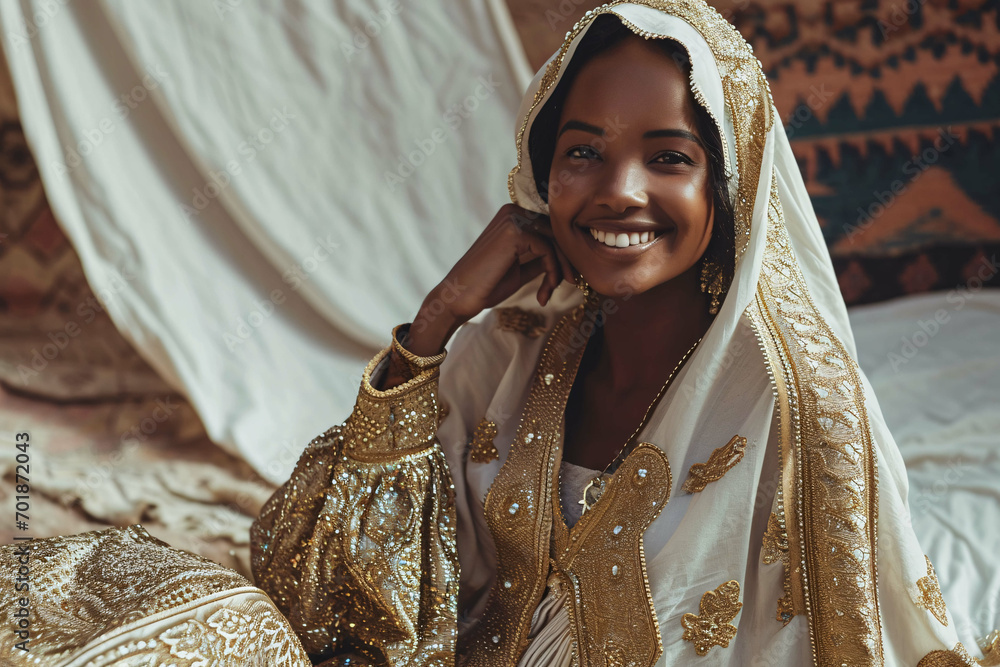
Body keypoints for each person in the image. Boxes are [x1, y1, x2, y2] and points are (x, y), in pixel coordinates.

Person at [2, 2, 997, 666]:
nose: (618, 191)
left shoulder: (793, 410)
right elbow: (336, 587)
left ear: (730, 187)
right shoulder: (509, 356)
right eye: (582, 153)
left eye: (668, 157)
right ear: (540, 174)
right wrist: (437, 319)